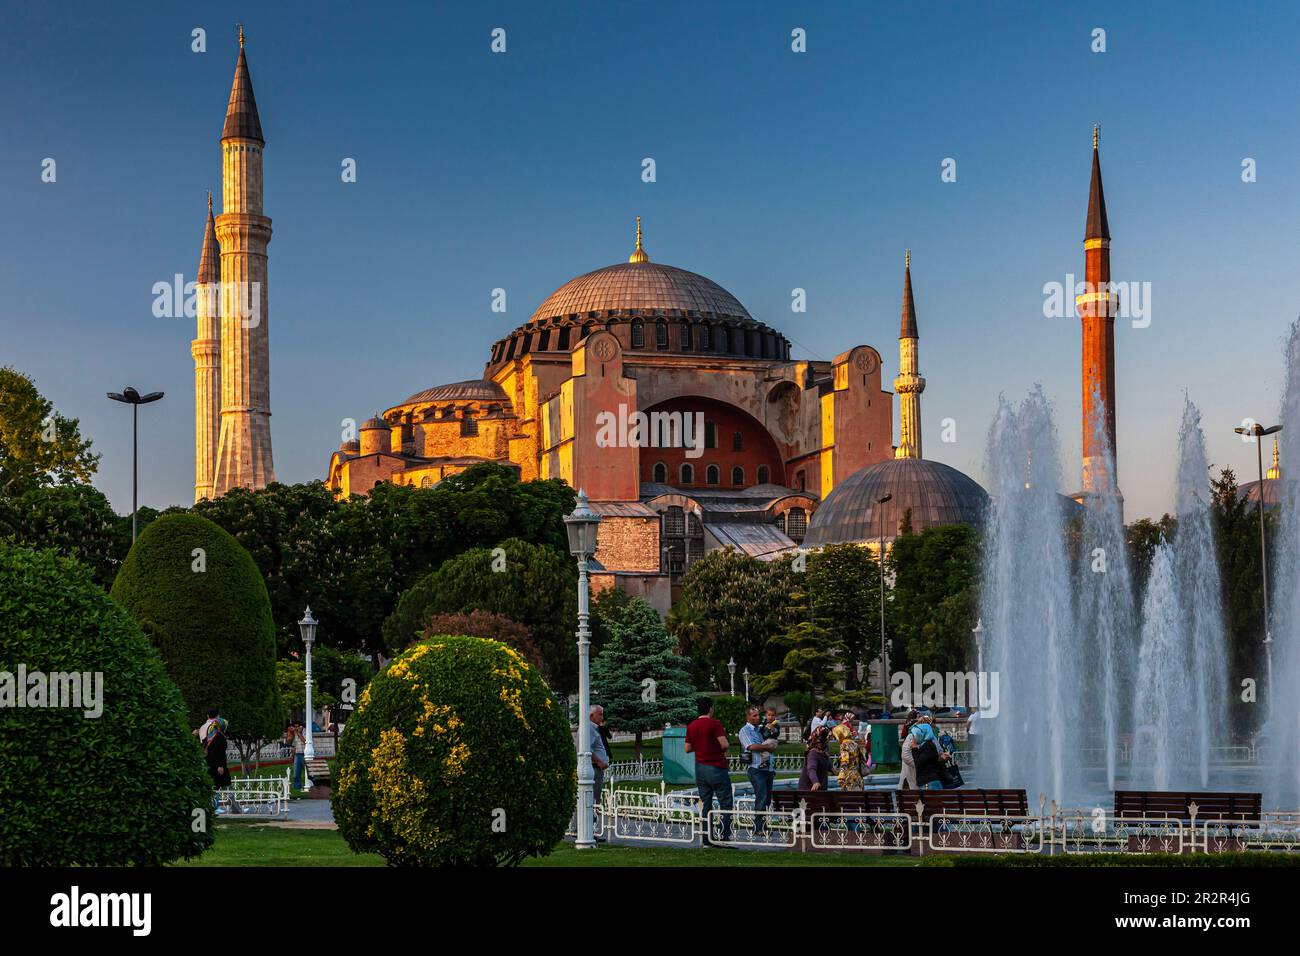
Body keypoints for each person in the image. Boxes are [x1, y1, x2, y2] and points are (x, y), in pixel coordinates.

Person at [685, 697, 732, 845]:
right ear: (710, 709)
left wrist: (700, 745)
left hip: (700, 769)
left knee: (706, 804)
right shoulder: (714, 724)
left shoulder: (691, 726)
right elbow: (724, 745)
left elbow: (687, 749)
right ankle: (723, 834)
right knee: (725, 802)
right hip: (716, 767)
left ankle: (706, 836)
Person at [739, 706, 778, 830]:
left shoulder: (759, 730)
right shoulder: (745, 730)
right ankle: (759, 827)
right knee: (761, 797)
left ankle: (764, 825)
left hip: (768, 769)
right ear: (748, 716)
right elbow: (751, 746)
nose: (757, 718)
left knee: (766, 799)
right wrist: (768, 747)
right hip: (756, 769)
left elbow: (771, 739)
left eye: (758, 715)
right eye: (754, 715)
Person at [200, 708, 237, 814]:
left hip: (208, 761)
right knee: (226, 785)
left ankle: (214, 807)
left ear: (207, 715)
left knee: (213, 786)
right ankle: (232, 808)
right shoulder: (218, 735)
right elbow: (219, 750)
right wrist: (221, 765)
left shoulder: (203, 728)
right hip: (217, 763)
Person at [909, 716, 952, 790]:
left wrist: (914, 749)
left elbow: (918, 763)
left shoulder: (928, 746)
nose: (914, 737)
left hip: (929, 783)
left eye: (916, 734)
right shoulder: (924, 745)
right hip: (926, 782)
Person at [589, 704, 610, 807]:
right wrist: (599, 761)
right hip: (594, 769)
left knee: (596, 798)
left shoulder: (593, 728)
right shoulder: (589, 729)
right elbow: (586, 749)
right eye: (600, 714)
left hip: (596, 769)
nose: (602, 717)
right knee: (594, 802)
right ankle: (592, 819)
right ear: (591, 715)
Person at [799, 726, 831, 791]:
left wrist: (831, 768)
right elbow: (811, 769)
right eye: (827, 739)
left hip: (819, 790)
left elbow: (825, 761)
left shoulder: (822, 751)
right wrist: (815, 782)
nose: (828, 741)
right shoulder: (813, 753)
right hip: (809, 790)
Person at [290, 720, 306, 790]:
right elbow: (294, 745)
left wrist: (299, 733)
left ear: (301, 726)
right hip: (297, 755)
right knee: (296, 774)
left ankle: (311, 786)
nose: (296, 728)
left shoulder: (305, 731)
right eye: (295, 727)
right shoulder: (295, 734)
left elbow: (305, 741)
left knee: (307, 772)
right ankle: (297, 788)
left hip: (304, 754)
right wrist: (292, 755)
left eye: (297, 727)